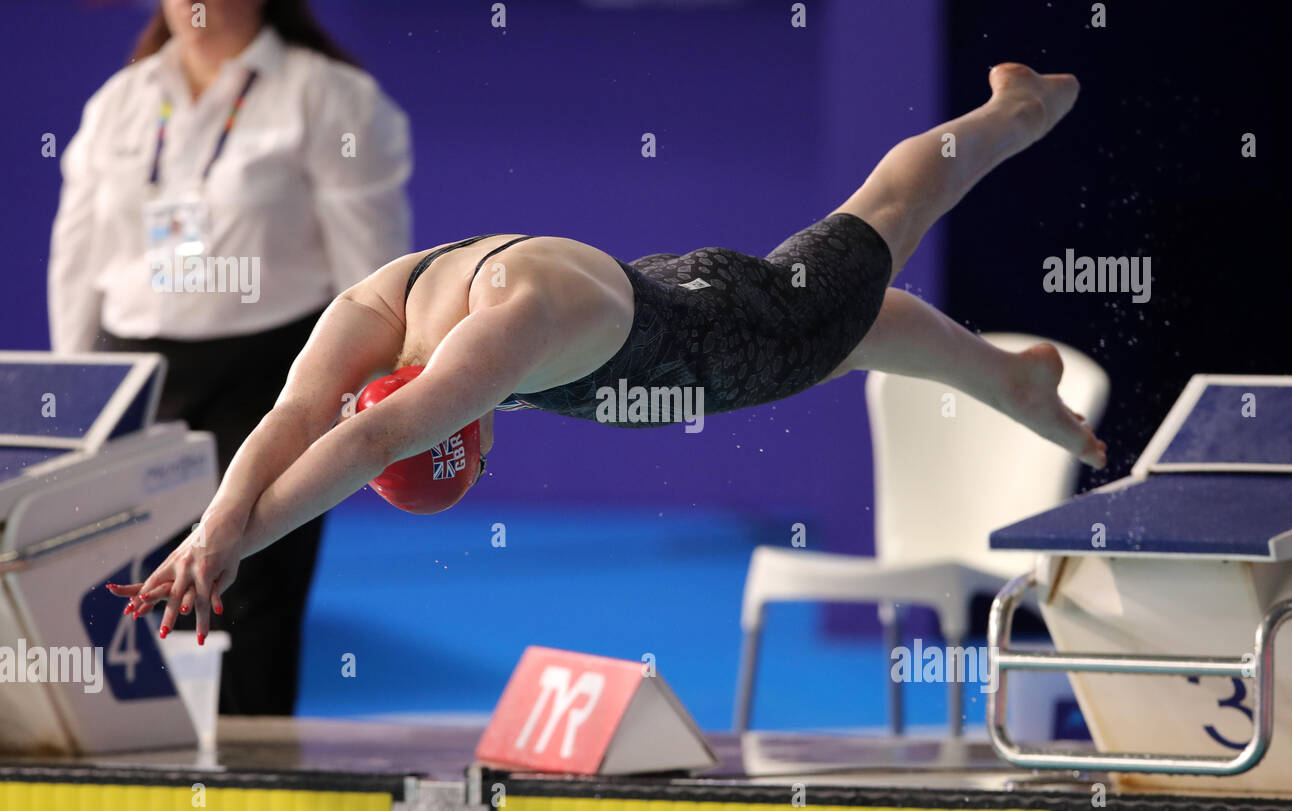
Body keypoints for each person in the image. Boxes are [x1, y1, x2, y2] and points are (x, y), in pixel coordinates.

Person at [110, 63, 1105, 639]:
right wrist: (211, 533)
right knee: (855, 326)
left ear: (456, 423)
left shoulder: (501, 342)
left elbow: (368, 447)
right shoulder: (380, 306)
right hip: (661, 294)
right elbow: (298, 421)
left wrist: (232, 547)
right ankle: (1006, 376)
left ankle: (1012, 112)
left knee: (881, 220)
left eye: (474, 444)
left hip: (718, 339)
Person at [52, 0, 412, 711]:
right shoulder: (120, 102)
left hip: (274, 373)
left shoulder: (329, 95)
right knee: (127, 594)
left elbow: (374, 279)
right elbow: (78, 258)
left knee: (253, 593)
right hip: (139, 377)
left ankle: (255, 783)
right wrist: (76, 393)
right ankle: (141, 781)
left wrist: (372, 397)